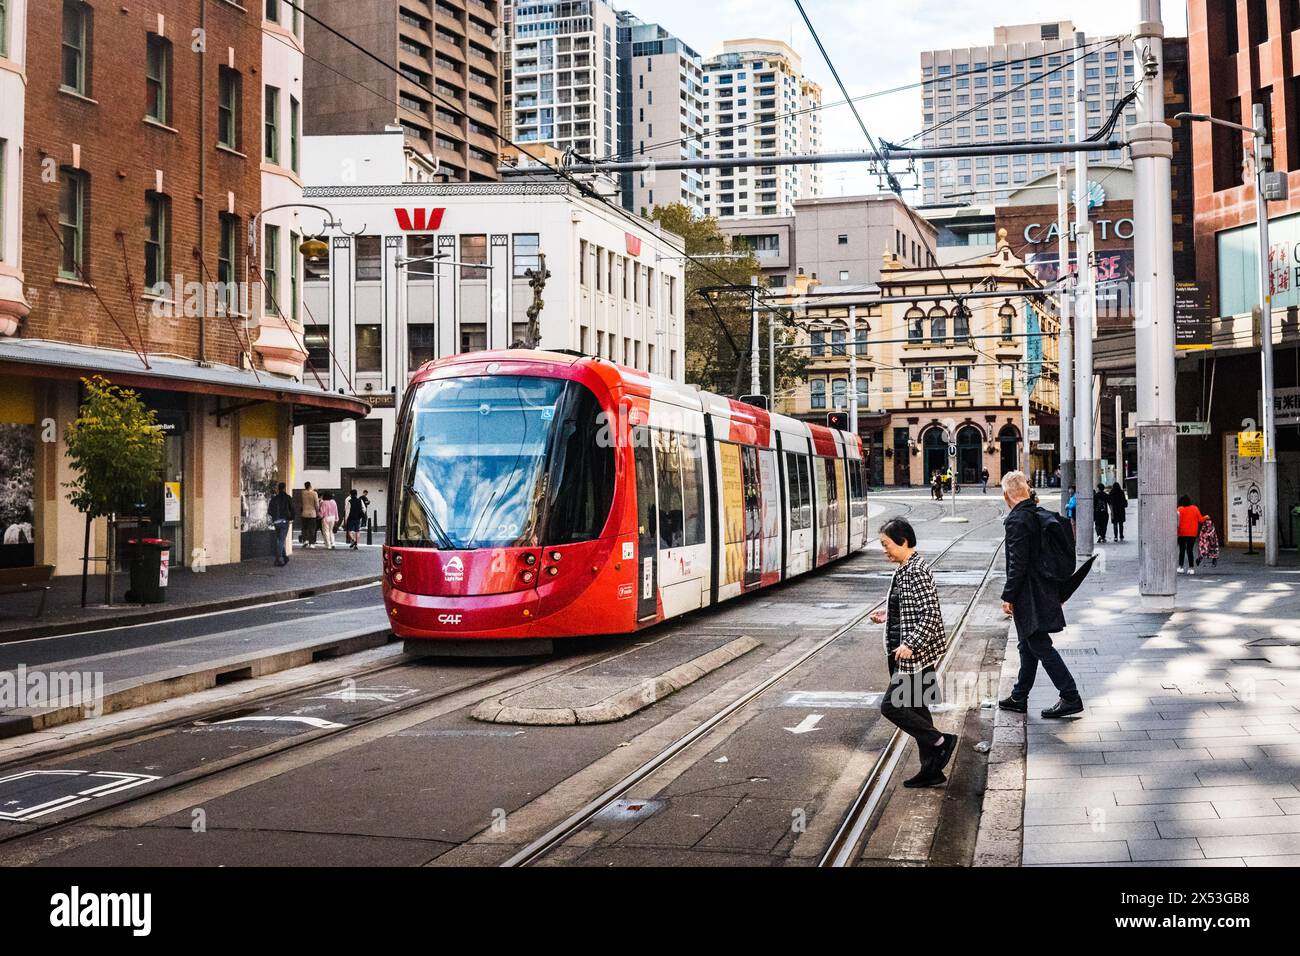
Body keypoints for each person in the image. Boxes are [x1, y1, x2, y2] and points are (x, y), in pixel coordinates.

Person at [869, 517, 958, 788]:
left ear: (903, 541)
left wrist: (911, 644)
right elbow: (912, 609)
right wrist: (888, 615)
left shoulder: (916, 570)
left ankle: (941, 741)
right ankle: (931, 770)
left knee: (891, 706)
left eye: (886, 544)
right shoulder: (905, 569)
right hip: (908, 651)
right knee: (918, 709)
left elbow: (930, 614)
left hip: (913, 656)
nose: (884, 550)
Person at [998, 470, 1084, 719]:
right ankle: (1019, 696)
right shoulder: (1036, 514)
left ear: (1007, 495)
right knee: (1028, 645)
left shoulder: (1017, 520)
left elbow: (1018, 563)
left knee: (1040, 645)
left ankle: (1070, 696)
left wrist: (1008, 596)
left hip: (1029, 595)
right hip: (1042, 590)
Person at [1177, 494, 1206, 575]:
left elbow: (1176, 521)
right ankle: (1191, 568)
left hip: (1181, 533)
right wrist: (1206, 517)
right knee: (1190, 550)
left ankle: (1181, 567)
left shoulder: (1179, 509)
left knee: (1182, 550)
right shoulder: (1195, 508)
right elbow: (1201, 520)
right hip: (1192, 533)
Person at [268, 482, 295, 567]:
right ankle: (279, 558)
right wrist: (291, 518)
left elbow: (269, 511)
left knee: (279, 539)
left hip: (276, 521)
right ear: (284, 488)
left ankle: (284, 556)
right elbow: (292, 509)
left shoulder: (274, 498)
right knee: (281, 540)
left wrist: (274, 517)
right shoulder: (288, 498)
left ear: (278, 489)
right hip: (284, 521)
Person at [300, 482, 320, 548]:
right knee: (312, 529)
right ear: (310, 486)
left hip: (304, 513)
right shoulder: (314, 493)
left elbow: (301, 503)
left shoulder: (303, 493)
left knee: (304, 528)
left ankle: (305, 540)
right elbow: (317, 504)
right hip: (312, 513)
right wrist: (318, 512)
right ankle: (311, 543)